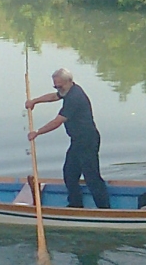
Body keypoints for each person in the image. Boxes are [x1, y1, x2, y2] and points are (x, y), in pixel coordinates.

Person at [26, 68, 111, 209]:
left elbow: (57, 121)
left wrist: (37, 132)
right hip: (77, 141)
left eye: (60, 86)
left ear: (69, 82)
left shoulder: (74, 98)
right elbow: (55, 96)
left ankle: (105, 209)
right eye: (56, 86)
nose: (58, 89)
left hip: (88, 141)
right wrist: (35, 101)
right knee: (69, 174)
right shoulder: (67, 90)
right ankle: (75, 204)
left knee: (91, 178)